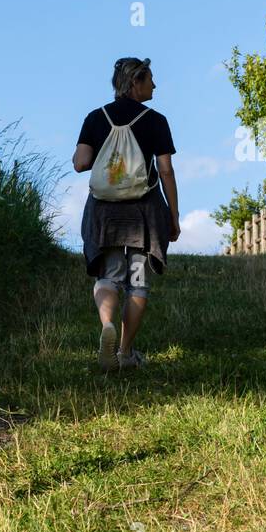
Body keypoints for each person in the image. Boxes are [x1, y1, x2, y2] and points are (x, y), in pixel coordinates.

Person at [73, 57, 180, 372]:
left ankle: (107, 323)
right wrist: (173, 215)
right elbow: (166, 170)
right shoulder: (155, 120)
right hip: (143, 213)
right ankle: (125, 353)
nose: (155, 86)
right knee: (137, 282)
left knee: (108, 276)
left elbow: (80, 163)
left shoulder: (95, 117)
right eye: (150, 80)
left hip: (104, 213)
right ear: (136, 82)